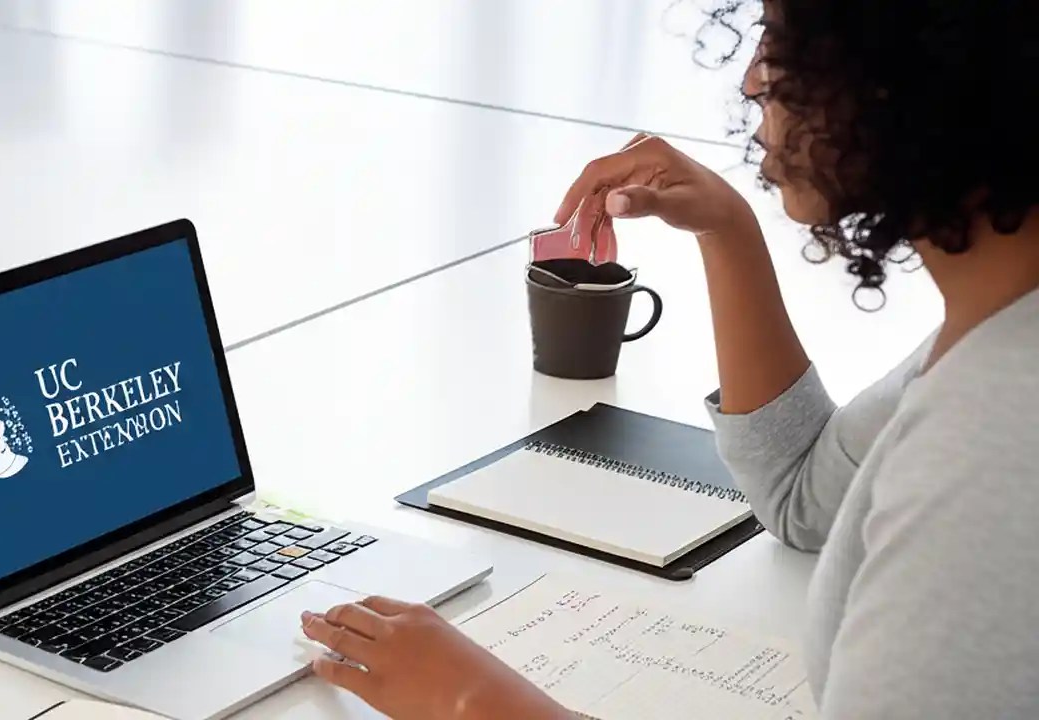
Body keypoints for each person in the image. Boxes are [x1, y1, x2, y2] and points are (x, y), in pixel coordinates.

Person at [300, 1, 1039, 717]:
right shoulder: (997, 330)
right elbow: (807, 496)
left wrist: (473, 703)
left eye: (784, 39)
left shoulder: (995, 439)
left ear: (916, 59)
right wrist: (725, 228)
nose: (753, 80)